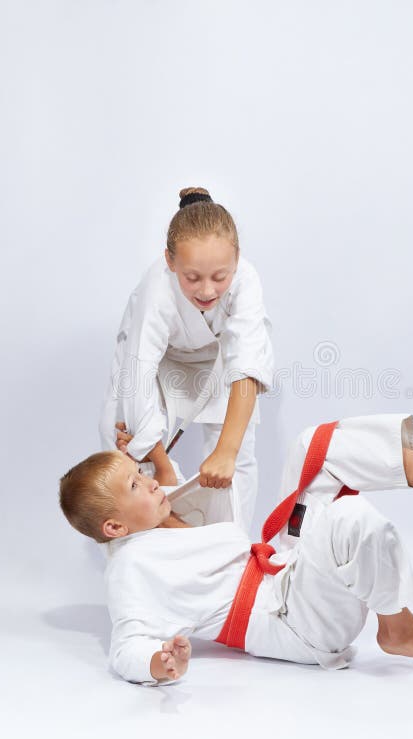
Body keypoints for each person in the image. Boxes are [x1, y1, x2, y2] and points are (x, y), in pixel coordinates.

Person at [60, 413, 413, 685]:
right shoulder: (130, 569)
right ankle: (398, 626)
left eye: (141, 474)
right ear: (115, 526)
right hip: (296, 621)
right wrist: (159, 665)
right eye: (135, 483)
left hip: (286, 570)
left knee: (314, 446)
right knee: (351, 520)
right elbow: (125, 646)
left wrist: (156, 455)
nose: (149, 481)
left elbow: (165, 485)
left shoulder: (160, 520)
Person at [98, 187, 274, 533]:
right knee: (119, 441)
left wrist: (226, 451)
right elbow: (140, 374)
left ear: (236, 260)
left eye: (219, 277)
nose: (207, 291)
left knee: (236, 455)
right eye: (192, 278)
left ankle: (232, 551)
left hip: (218, 359)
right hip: (157, 359)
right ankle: (142, 545)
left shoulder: (247, 281)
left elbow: (247, 364)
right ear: (170, 261)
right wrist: (158, 462)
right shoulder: (157, 290)